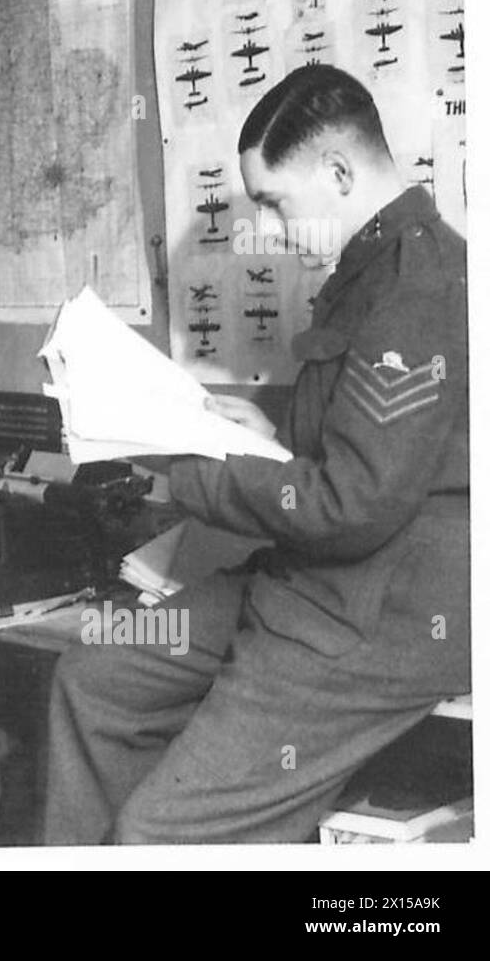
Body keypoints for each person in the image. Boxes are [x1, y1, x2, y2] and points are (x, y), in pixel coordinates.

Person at [44, 63, 470, 844]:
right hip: (307, 578)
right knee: (94, 675)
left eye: (274, 202)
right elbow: (366, 435)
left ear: (339, 172)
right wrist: (263, 428)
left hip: (371, 618)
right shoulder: (366, 270)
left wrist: (191, 469)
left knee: (156, 835)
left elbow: (352, 504)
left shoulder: (418, 286)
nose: (267, 230)